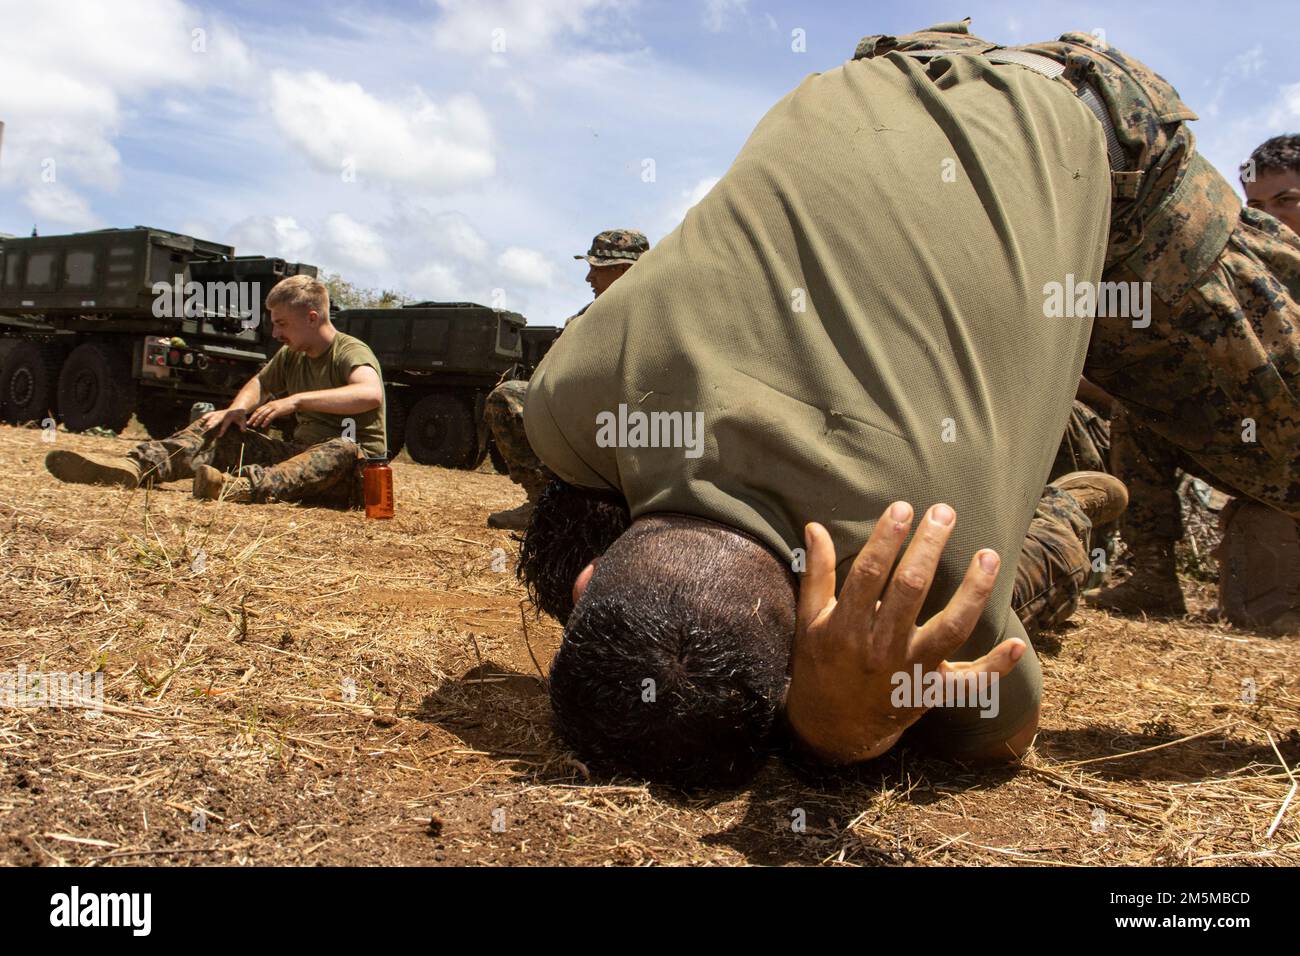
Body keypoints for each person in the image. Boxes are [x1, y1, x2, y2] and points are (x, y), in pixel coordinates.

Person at [513, 19, 1300, 786]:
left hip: (1098, 143)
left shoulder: (931, 561)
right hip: (886, 74)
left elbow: (996, 719)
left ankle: (1060, 512)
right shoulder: (566, 399)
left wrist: (833, 735)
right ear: (588, 583)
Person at [44, 275, 386, 507]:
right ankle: (136, 467)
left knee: (342, 447)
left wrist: (295, 400)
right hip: (297, 460)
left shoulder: (349, 351)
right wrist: (236, 410)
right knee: (219, 427)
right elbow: (260, 383)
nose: (277, 333)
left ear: (312, 318)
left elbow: (369, 394)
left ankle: (238, 488)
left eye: (282, 324)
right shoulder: (291, 355)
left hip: (353, 477)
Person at [484, 229, 649, 530]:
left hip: (641, 422)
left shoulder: (661, 312)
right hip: (590, 417)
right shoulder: (584, 318)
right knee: (508, 398)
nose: (589, 279)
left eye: (597, 269)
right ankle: (544, 504)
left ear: (624, 270)